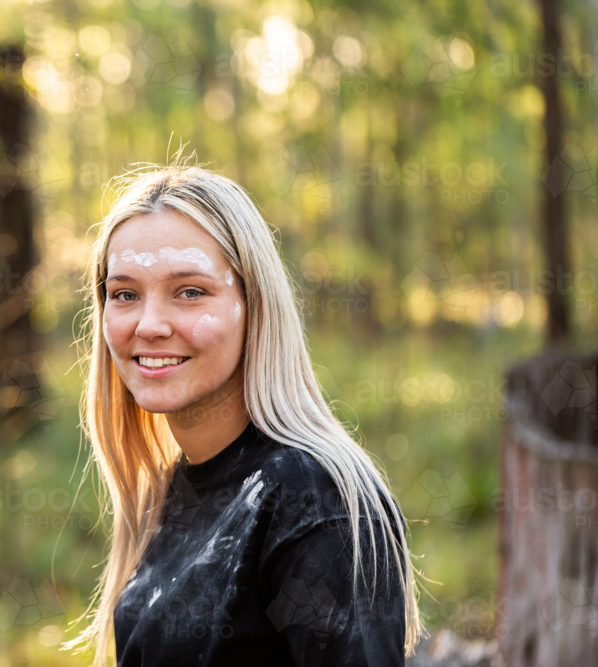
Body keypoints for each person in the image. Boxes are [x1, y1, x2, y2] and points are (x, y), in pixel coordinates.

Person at [61, 159, 426, 666]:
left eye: (190, 292)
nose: (149, 325)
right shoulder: (175, 486)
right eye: (125, 294)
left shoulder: (313, 499)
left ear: (254, 304)